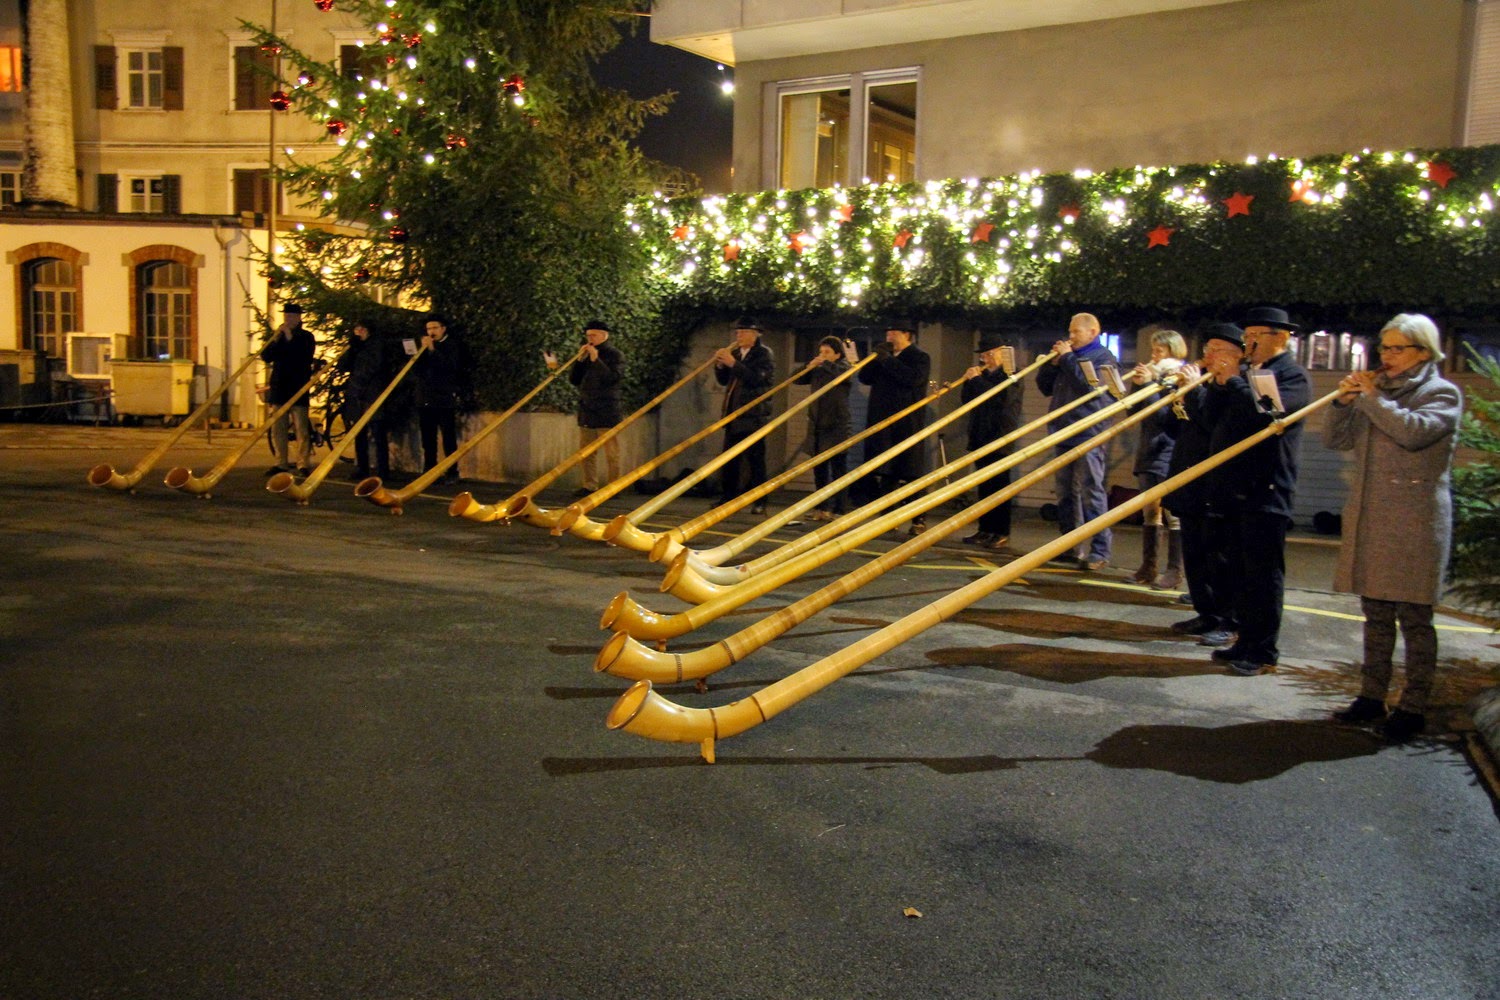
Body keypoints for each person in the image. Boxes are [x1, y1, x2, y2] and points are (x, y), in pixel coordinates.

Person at [1324, 313, 1462, 743]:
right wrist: (1342, 403)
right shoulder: (1377, 391)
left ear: (1424, 351)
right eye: (1384, 347)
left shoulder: (1441, 393)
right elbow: (1336, 440)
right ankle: (1371, 696)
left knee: (1415, 618)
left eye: (1398, 348)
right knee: (1376, 615)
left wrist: (1369, 399)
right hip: (1373, 516)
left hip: (1415, 522)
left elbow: (1413, 432)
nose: (1387, 356)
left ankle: (1412, 707)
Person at [1199, 306, 1310, 677]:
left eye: (1255, 335)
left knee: (1263, 575)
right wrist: (1218, 384)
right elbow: (1213, 421)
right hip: (1235, 485)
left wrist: (1233, 381)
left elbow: (1266, 413)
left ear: (1281, 337)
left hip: (1267, 486)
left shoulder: (1291, 375)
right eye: (1246, 335)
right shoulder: (1248, 374)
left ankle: (1263, 650)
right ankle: (1244, 640)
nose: (1248, 342)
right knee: (1239, 571)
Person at [1165, 324, 1245, 649]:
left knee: (1219, 557)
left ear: (1236, 356)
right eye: (1208, 349)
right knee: (1194, 553)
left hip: (1216, 482)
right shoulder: (1204, 384)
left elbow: (1214, 425)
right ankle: (1205, 612)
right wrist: (1177, 397)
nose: (1208, 356)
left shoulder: (1231, 388)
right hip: (1188, 475)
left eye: (1217, 350)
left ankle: (1229, 620)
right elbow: (1172, 427)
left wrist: (1193, 391)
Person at [1036, 312, 1119, 570]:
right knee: (1065, 492)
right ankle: (1070, 545)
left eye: (1076, 332)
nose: (1070, 336)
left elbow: (1089, 388)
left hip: (1089, 430)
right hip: (1063, 429)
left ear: (1093, 332)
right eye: (1070, 331)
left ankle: (1100, 550)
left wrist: (1067, 358)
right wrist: (1051, 364)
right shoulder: (1069, 357)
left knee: (1090, 490)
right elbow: (1045, 388)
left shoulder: (1103, 357)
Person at [1126, 328, 1188, 586]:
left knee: (1173, 512)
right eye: (1153, 350)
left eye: (1159, 351)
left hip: (1168, 451)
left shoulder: (1179, 378)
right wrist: (1137, 385)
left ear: (1173, 351)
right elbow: (1133, 413)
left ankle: (1174, 570)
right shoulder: (1155, 377)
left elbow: (1163, 417)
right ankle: (1148, 567)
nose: (1154, 356)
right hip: (1148, 451)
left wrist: (1151, 385)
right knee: (1150, 511)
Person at [859, 320, 932, 535]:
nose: (889, 337)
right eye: (887, 333)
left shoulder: (919, 357)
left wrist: (888, 360)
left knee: (910, 471)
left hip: (906, 422)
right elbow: (864, 378)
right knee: (886, 470)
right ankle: (888, 517)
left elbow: (912, 379)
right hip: (883, 420)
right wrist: (875, 359)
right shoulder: (883, 357)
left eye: (894, 333)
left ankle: (918, 518)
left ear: (907, 335)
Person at [959, 333, 1024, 550]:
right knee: (984, 486)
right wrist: (968, 381)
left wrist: (976, 380)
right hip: (980, 434)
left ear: (1002, 353)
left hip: (1000, 437)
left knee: (999, 486)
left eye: (990, 354)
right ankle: (985, 529)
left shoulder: (1012, 374)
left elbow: (999, 399)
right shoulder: (984, 375)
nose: (986, 359)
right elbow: (968, 401)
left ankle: (1001, 532)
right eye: (983, 355)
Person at [554, 320, 623, 497]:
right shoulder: (585, 354)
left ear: (604, 335)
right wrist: (579, 360)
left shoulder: (614, 355)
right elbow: (574, 380)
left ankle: (614, 486)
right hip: (588, 407)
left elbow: (612, 378)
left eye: (593, 335)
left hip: (607, 408)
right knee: (586, 452)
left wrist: (595, 359)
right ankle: (589, 485)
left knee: (611, 452)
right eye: (588, 335)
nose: (590, 338)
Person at [714, 318, 776, 514]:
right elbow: (725, 381)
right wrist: (720, 366)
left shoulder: (764, 354)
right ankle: (728, 497)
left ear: (755, 334)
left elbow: (757, 379)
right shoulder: (735, 353)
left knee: (755, 461)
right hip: (734, 413)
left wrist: (734, 364)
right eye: (737, 332)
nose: (738, 335)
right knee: (730, 460)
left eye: (743, 332)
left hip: (753, 415)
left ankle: (760, 500)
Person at [794, 335, 853, 520]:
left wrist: (825, 363)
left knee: (838, 470)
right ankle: (821, 507)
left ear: (837, 354)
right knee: (819, 471)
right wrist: (808, 366)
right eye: (821, 352)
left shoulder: (844, 367)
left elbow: (842, 375)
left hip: (837, 426)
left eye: (827, 352)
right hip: (817, 424)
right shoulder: (818, 370)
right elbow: (796, 378)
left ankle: (839, 509)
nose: (823, 355)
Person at [260, 301, 319, 476]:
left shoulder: (306, 337)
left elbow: (303, 357)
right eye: (286, 316)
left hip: (298, 386)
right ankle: (281, 463)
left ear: (299, 318)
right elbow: (266, 356)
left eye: (292, 316)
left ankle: (303, 464)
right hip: (280, 386)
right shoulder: (279, 336)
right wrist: (276, 339)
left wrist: (288, 337)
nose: (288, 319)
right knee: (278, 428)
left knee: (301, 428)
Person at [414, 314, 471, 482]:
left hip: (443, 398)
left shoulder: (451, 345)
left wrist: (432, 350)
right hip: (425, 397)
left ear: (443, 329)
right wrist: (421, 352)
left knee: (448, 437)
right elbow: (417, 370)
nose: (431, 332)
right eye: (428, 329)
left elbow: (449, 367)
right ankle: (429, 470)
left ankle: (452, 471)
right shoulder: (424, 347)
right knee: (428, 437)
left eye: (435, 328)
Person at [337, 318, 391, 481]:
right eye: (357, 329)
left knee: (378, 432)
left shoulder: (376, 345)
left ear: (368, 330)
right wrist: (352, 349)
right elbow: (343, 366)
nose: (359, 332)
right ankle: (362, 467)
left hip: (372, 393)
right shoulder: (356, 346)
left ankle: (383, 470)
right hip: (357, 394)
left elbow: (373, 366)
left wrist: (361, 381)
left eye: (362, 329)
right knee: (359, 433)